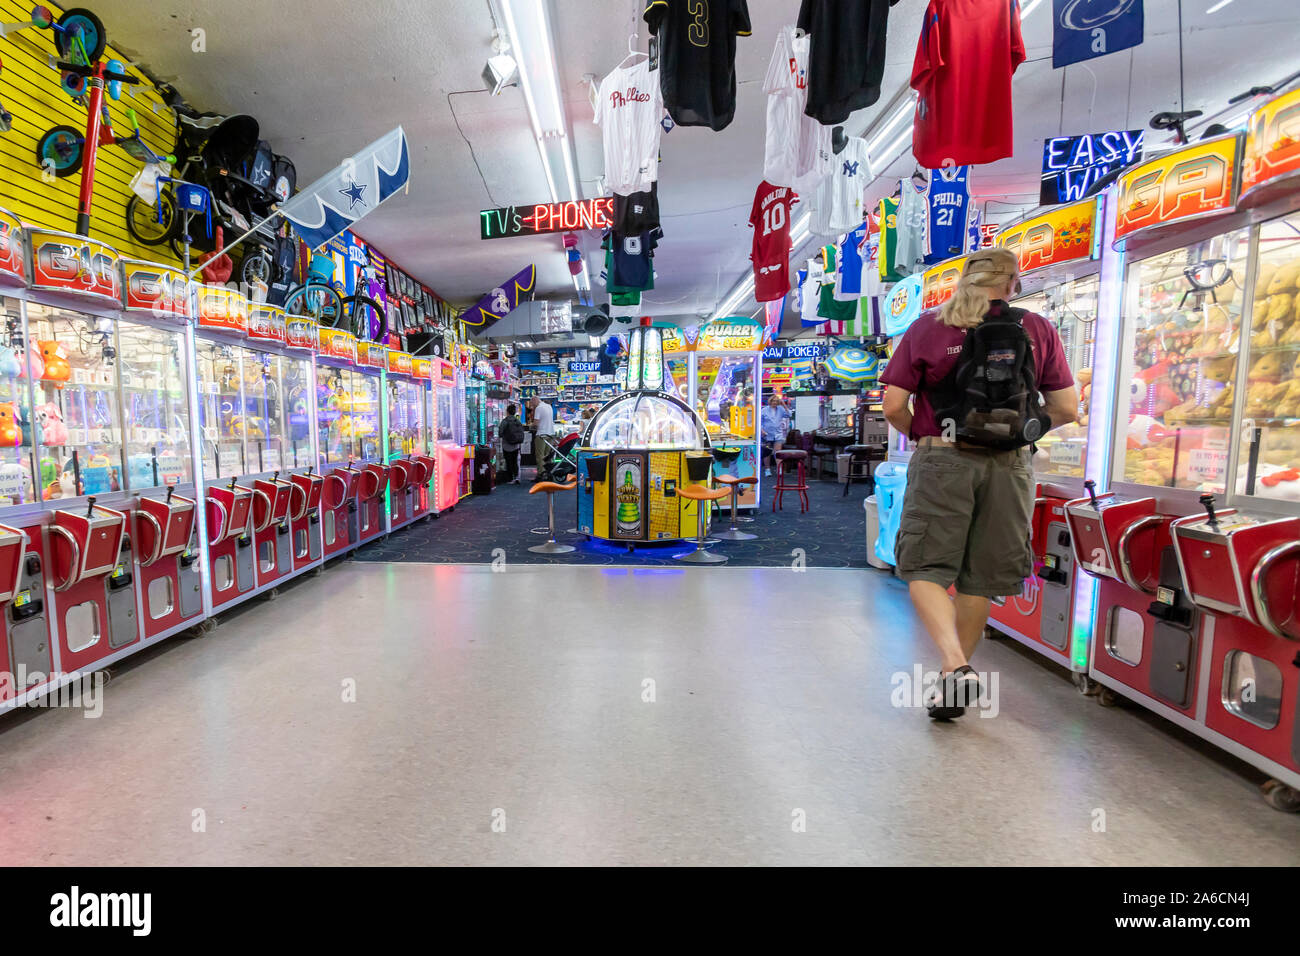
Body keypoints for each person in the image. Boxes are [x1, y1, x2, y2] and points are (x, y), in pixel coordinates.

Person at [880, 248, 1078, 721]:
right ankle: (954, 681)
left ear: (963, 281)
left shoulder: (929, 327)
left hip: (944, 461)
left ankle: (955, 664)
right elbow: (1068, 408)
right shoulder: (1038, 329)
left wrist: (927, 436)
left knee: (926, 567)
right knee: (980, 578)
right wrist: (1020, 430)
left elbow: (892, 405)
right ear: (1012, 284)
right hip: (1010, 466)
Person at [760, 393, 791, 476]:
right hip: (767, 434)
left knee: (777, 452)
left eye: (776, 401)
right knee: (767, 452)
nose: (774, 402)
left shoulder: (780, 409)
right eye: (773, 401)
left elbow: (789, 414)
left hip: (778, 433)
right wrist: (761, 430)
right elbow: (759, 422)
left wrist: (784, 404)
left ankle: (779, 468)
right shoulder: (764, 410)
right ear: (770, 401)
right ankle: (767, 469)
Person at [528, 395, 556, 481]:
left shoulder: (539, 408)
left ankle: (541, 474)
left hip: (541, 435)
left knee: (540, 456)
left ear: (535, 400)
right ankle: (548, 473)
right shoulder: (549, 406)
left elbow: (536, 423)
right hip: (550, 434)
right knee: (548, 456)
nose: (533, 406)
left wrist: (530, 426)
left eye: (532, 403)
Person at [499, 403, 525, 484]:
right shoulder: (517, 421)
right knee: (514, 462)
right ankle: (517, 477)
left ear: (507, 412)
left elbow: (500, 433)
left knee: (508, 461)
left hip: (506, 445)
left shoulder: (505, 421)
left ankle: (510, 478)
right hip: (516, 445)